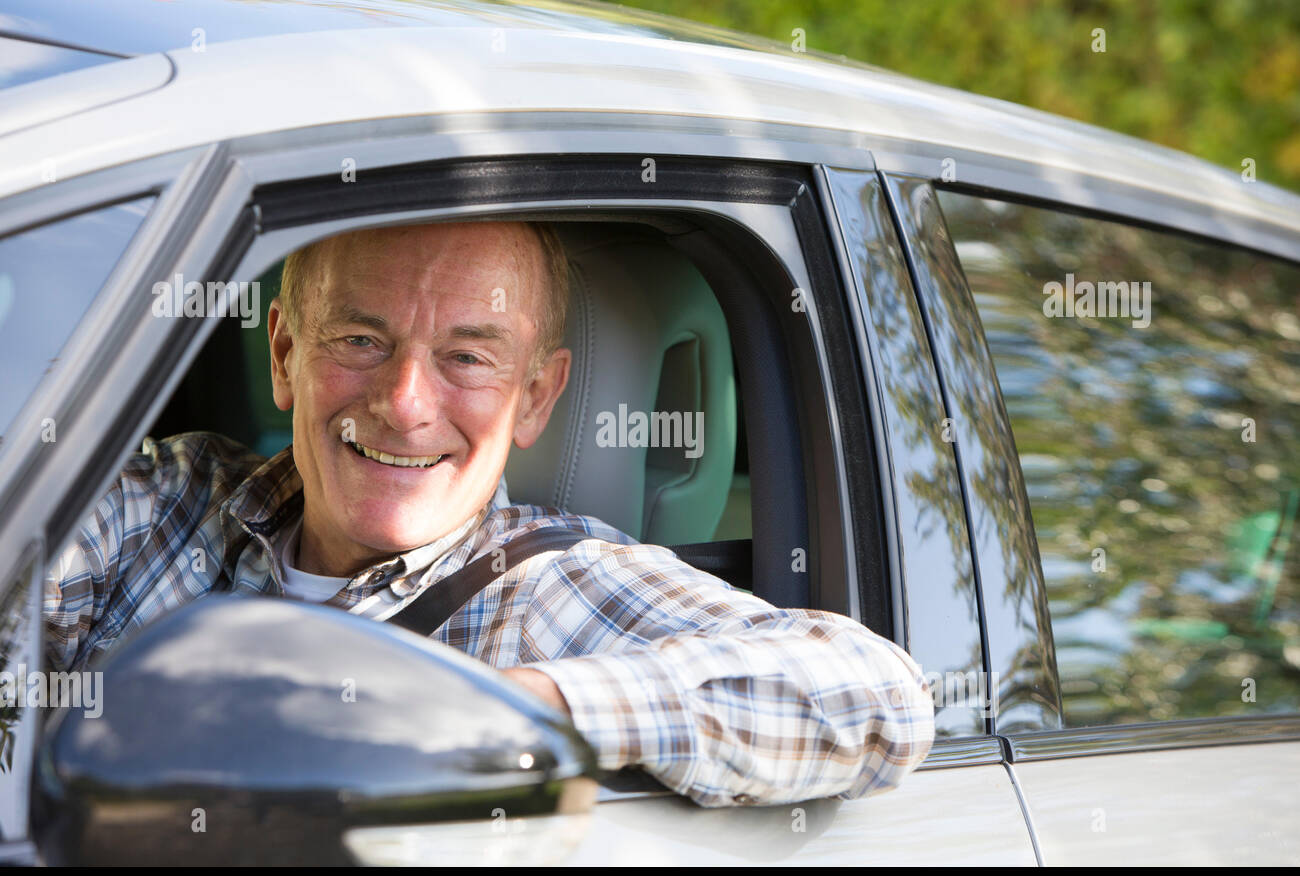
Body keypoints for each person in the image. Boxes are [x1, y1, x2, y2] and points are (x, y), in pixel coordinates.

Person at [43, 220, 934, 807]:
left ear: (537, 395)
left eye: (467, 358)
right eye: (360, 340)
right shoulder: (162, 502)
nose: (402, 402)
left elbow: (876, 694)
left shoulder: (553, 590)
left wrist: (511, 711)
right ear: (285, 352)